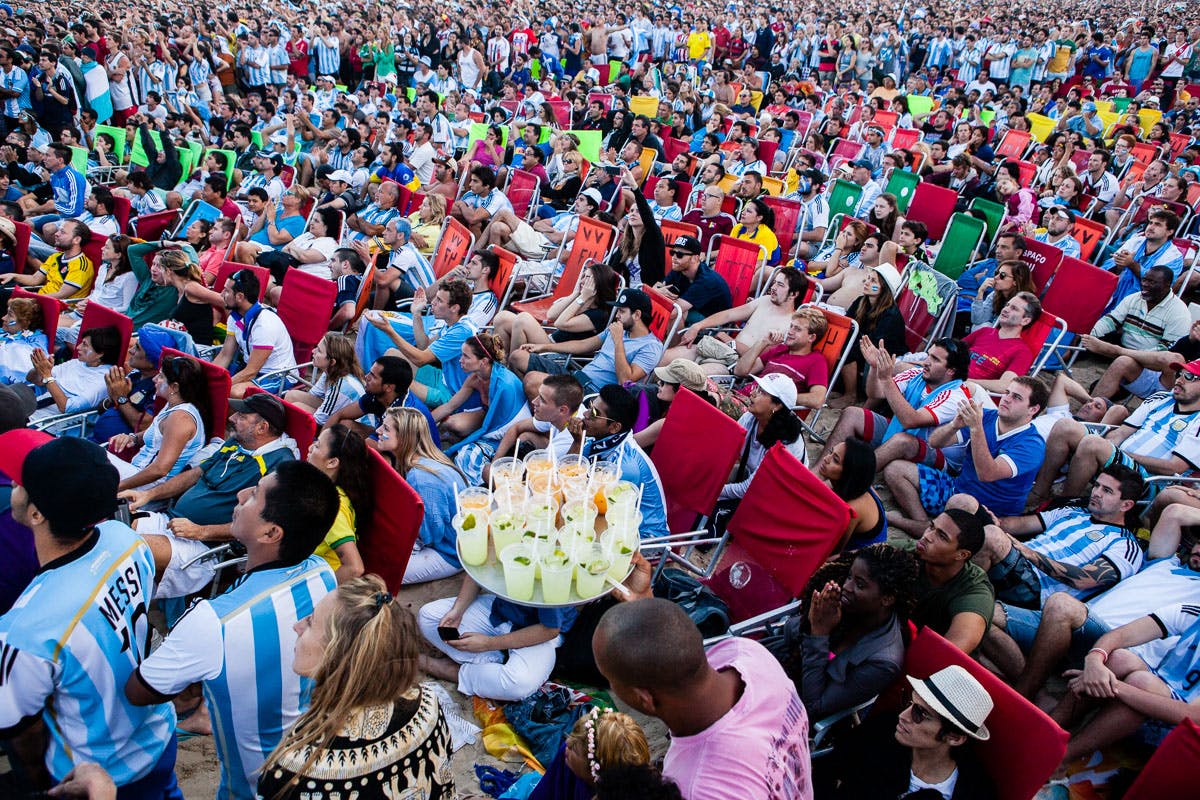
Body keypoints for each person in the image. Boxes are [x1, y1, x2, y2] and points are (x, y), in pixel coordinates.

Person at [125, 461, 339, 800]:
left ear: (271, 534)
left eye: (254, 495)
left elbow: (138, 692)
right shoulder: (323, 573)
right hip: (316, 762)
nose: (240, 495)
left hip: (256, 790)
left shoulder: (213, 623)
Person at [0, 431, 178, 797]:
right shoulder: (125, 538)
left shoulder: (25, 629)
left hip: (99, 774)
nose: (13, 487)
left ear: (36, 513)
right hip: (158, 734)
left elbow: (24, 736)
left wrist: (40, 785)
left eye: (21, 484)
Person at [592, 597, 813, 799]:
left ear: (644, 698)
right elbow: (668, 653)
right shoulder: (745, 653)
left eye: (610, 679)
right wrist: (650, 607)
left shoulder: (696, 787)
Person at [258, 575, 455, 799]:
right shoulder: (427, 704)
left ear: (337, 653)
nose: (297, 626)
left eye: (311, 621)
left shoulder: (295, 769)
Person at [119, 392, 299, 598]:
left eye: (241, 416)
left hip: (205, 547)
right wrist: (149, 495)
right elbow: (197, 473)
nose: (231, 419)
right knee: (115, 526)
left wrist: (200, 531)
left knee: (128, 550)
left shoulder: (279, 467)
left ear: (262, 428)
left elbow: (261, 525)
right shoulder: (237, 443)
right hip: (173, 521)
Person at [770, 543, 917, 719]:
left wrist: (819, 633)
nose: (847, 586)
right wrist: (812, 615)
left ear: (887, 598)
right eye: (849, 576)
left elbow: (814, 706)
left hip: (791, 710)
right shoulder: (846, 605)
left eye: (860, 585)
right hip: (776, 671)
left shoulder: (884, 662)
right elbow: (788, 635)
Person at [886, 377, 1047, 535]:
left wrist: (976, 428)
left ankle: (911, 525)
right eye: (1007, 392)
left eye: (1016, 397)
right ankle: (923, 524)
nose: (1006, 399)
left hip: (988, 511)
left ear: (1033, 409)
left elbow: (987, 473)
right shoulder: (987, 417)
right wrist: (954, 426)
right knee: (895, 469)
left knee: (962, 502)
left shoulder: (1032, 444)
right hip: (955, 490)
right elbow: (935, 443)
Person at [1030, 358, 1200, 507]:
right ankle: (1040, 492)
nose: (1180, 380)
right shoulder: (1160, 399)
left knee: (1092, 444)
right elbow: (1121, 433)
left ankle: (1063, 504)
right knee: (1065, 426)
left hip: (1148, 480)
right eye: (1180, 373)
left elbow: (1174, 467)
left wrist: (1118, 453)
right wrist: (1109, 449)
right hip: (1121, 460)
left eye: (1190, 377)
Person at [823, 665, 996, 800]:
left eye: (920, 713)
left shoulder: (974, 792)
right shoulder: (882, 730)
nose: (903, 716)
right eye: (909, 703)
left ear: (954, 737)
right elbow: (828, 769)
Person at [818, 337, 971, 473]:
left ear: (951, 371)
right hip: (909, 437)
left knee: (902, 440)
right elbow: (876, 393)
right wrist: (874, 368)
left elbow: (911, 421)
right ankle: (819, 470)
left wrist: (886, 380)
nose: (926, 362)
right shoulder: (918, 374)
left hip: (941, 459)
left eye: (935, 359)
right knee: (853, 413)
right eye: (928, 355)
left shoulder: (956, 396)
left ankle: (851, 481)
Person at [512, 288, 664, 398]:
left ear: (637, 315)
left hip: (594, 394)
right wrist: (543, 346)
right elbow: (584, 344)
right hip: (578, 378)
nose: (617, 315)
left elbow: (625, 380)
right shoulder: (620, 329)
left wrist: (618, 342)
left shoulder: (651, 347)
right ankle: (533, 410)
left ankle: (543, 423)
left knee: (532, 381)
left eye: (622, 312)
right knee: (518, 356)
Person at [376, 406, 467, 584]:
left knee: (380, 572)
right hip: (450, 540)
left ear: (404, 438)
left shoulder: (421, 477)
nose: (378, 431)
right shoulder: (424, 461)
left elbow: (432, 533)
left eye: (386, 429)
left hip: (452, 551)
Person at [661, 267, 808, 376]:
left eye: (780, 285)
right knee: (663, 357)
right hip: (719, 347)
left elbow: (760, 360)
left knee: (687, 375)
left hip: (733, 364)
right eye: (774, 283)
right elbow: (729, 315)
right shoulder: (764, 301)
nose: (773, 288)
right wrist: (698, 325)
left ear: (794, 294)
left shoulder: (790, 326)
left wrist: (731, 342)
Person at [570, 384, 669, 539]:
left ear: (615, 427)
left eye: (595, 413)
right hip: (612, 519)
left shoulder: (625, 467)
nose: (585, 414)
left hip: (644, 538)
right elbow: (569, 474)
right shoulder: (600, 439)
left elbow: (597, 509)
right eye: (590, 406)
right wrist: (577, 443)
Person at [106, 353, 210, 492]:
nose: (155, 379)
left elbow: (160, 470)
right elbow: (157, 434)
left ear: (174, 387)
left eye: (161, 376)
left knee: (88, 455)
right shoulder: (172, 406)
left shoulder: (180, 419)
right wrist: (132, 438)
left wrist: (120, 486)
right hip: (136, 474)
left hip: (146, 487)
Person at [900, 509, 995, 654]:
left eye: (942, 536)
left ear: (961, 554)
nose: (927, 536)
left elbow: (949, 653)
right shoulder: (918, 551)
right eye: (931, 527)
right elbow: (860, 557)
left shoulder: (975, 592)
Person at [439, 333, 529, 484]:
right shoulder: (475, 378)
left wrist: (471, 441)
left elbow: (497, 426)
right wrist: (424, 423)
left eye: (466, 356)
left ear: (483, 361)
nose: (461, 360)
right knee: (448, 424)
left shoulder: (504, 384)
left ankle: (478, 485)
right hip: (491, 421)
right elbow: (450, 406)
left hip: (507, 428)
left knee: (467, 455)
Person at [212, 269, 297, 397]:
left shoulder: (264, 324)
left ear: (240, 297)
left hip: (278, 376)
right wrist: (208, 377)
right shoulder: (234, 317)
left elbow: (252, 371)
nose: (222, 294)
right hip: (252, 370)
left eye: (227, 291)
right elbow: (225, 355)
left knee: (233, 392)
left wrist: (222, 385)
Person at [306, 424, 371, 584]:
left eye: (317, 445)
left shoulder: (333, 506)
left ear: (332, 462)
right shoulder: (317, 488)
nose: (310, 448)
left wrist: (316, 594)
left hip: (313, 578)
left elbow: (355, 568)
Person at [732, 306, 830, 411]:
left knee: (714, 398)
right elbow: (740, 371)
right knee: (712, 392)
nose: (790, 331)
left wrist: (775, 397)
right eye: (791, 326)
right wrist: (763, 342)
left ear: (811, 337)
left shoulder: (816, 361)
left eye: (797, 329)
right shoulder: (780, 349)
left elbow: (817, 400)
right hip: (739, 398)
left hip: (755, 410)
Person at [489, 373, 584, 475]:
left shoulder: (563, 444)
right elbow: (516, 427)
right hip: (551, 451)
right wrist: (495, 463)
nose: (534, 401)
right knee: (525, 436)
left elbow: (537, 479)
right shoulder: (567, 411)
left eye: (542, 400)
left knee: (487, 472)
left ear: (562, 410)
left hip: (553, 474)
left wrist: (493, 473)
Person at [27, 325, 123, 421]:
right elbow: (34, 380)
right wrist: (39, 368)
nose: (78, 347)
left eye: (84, 345)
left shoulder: (103, 380)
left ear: (100, 353)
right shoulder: (78, 362)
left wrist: (47, 375)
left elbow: (66, 407)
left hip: (49, 424)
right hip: (32, 408)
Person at [816, 438, 887, 550]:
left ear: (848, 473)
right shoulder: (860, 484)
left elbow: (834, 552)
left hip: (860, 561)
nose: (826, 459)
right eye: (831, 452)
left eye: (835, 460)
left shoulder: (852, 509)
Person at [285, 332, 366, 426]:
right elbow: (313, 394)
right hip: (337, 413)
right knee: (291, 396)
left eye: (319, 351)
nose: (313, 351)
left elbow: (319, 421)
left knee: (297, 409)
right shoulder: (331, 371)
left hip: (353, 426)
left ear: (332, 362)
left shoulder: (340, 386)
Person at [653, 234, 733, 326]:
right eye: (672, 253)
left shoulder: (706, 280)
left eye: (679, 255)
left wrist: (656, 294)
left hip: (715, 324)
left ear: (695, 258)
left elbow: (674, 311)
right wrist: (656, 291)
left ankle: (671, 341)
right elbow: (659, 287)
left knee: (677, 314)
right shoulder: (679, 268)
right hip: (696, 313)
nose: (674, 257)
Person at [0, 295, 46, 385]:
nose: (3, 318)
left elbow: (29, 369)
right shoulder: (3, 331)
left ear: (25, 322)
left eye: (10, 315)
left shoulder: (35, 341)